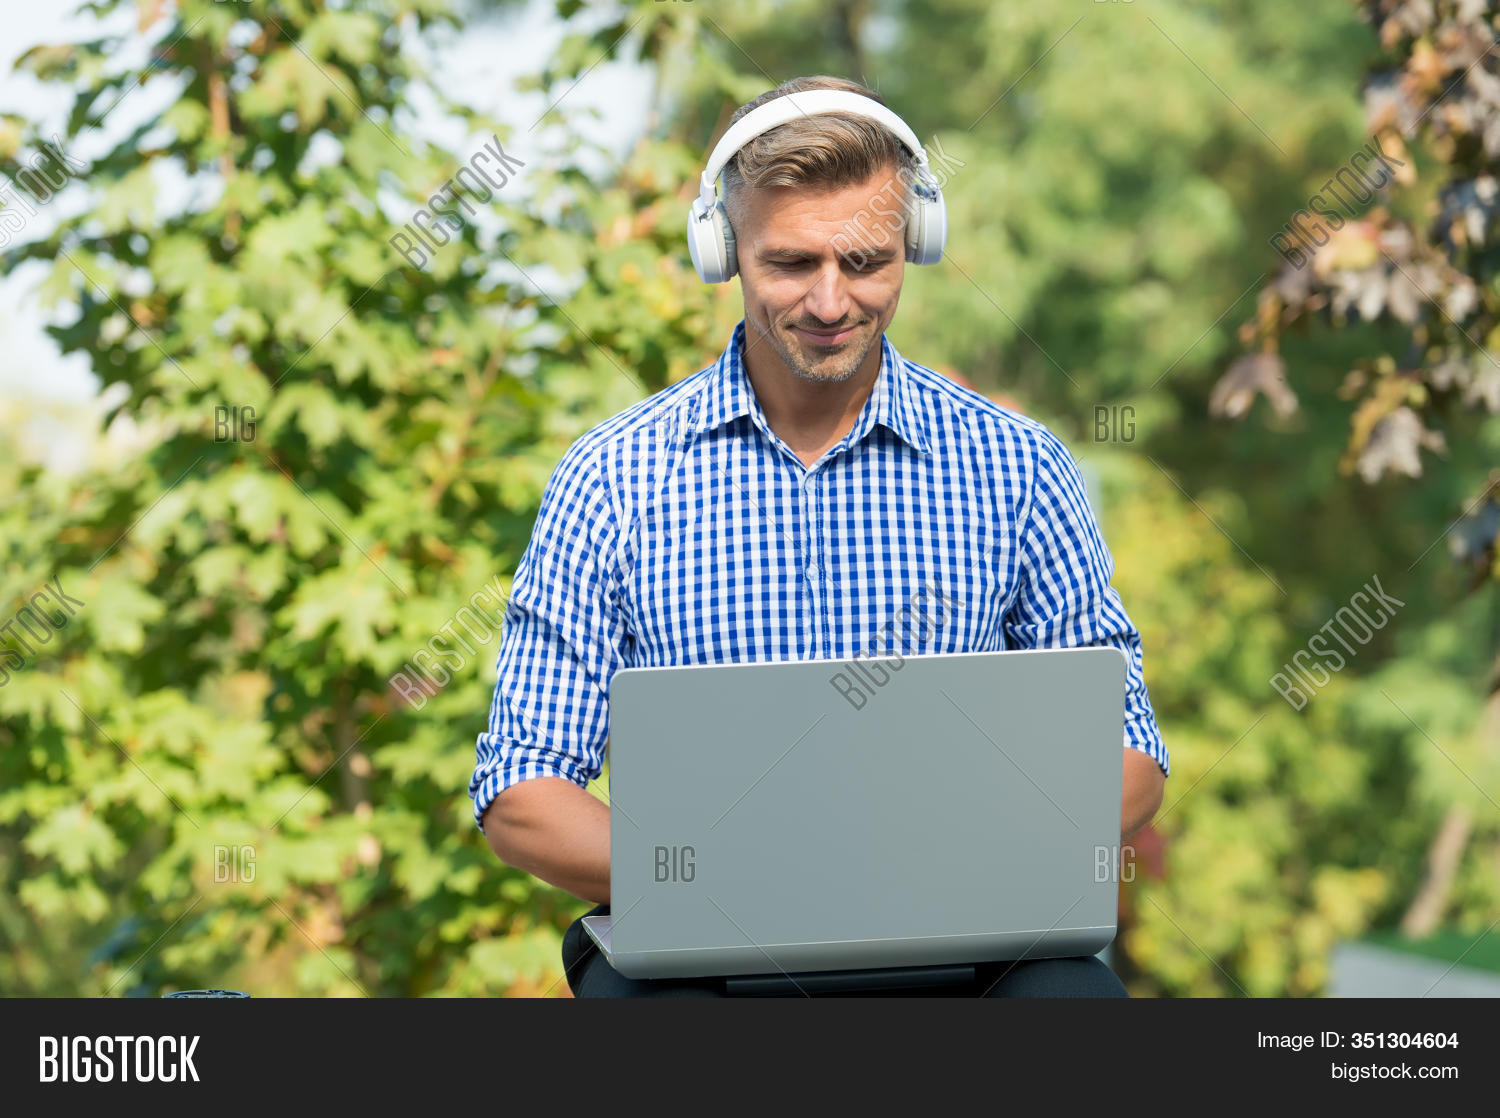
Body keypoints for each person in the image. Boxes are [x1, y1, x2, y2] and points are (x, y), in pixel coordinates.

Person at [469, 75, 1169, 997]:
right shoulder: (613, 478)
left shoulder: (1019, 465)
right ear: (723, 250)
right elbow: (521, 791)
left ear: (916, 243)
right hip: (705, 955)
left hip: (971, 946)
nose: (832, 303)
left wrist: (932, 869)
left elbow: (1128, 751)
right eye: (792, 264)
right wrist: (740, 881)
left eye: (867, 262)